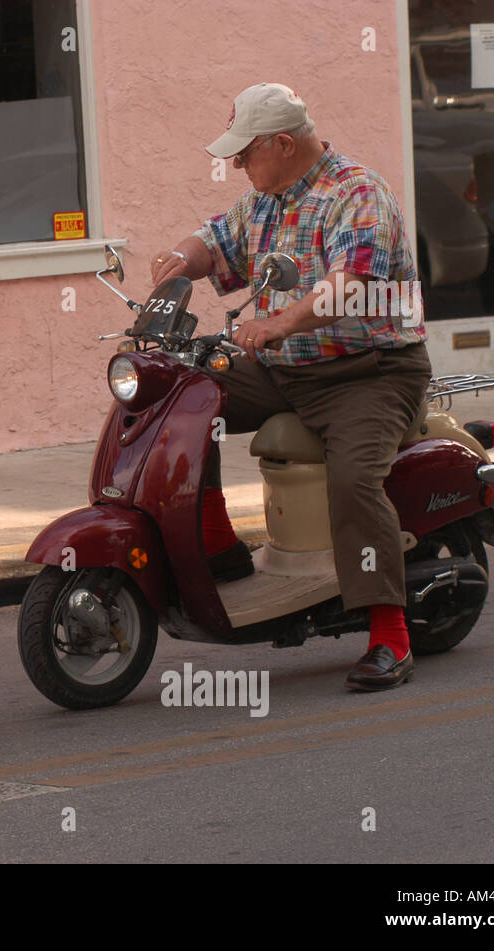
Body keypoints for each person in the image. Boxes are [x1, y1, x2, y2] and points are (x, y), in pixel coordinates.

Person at [149, 83, 430, 692]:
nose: (237, 166)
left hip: (368, 373)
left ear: (282, 142)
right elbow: (216, 240)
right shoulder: (264, 200)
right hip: (285, 368)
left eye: (245, 153)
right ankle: (218, 544)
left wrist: (276, 322)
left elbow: (350, 286)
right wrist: (180, 256)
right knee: (181, 398)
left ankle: (390, 636)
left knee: (354, 480)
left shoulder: (358, 194)